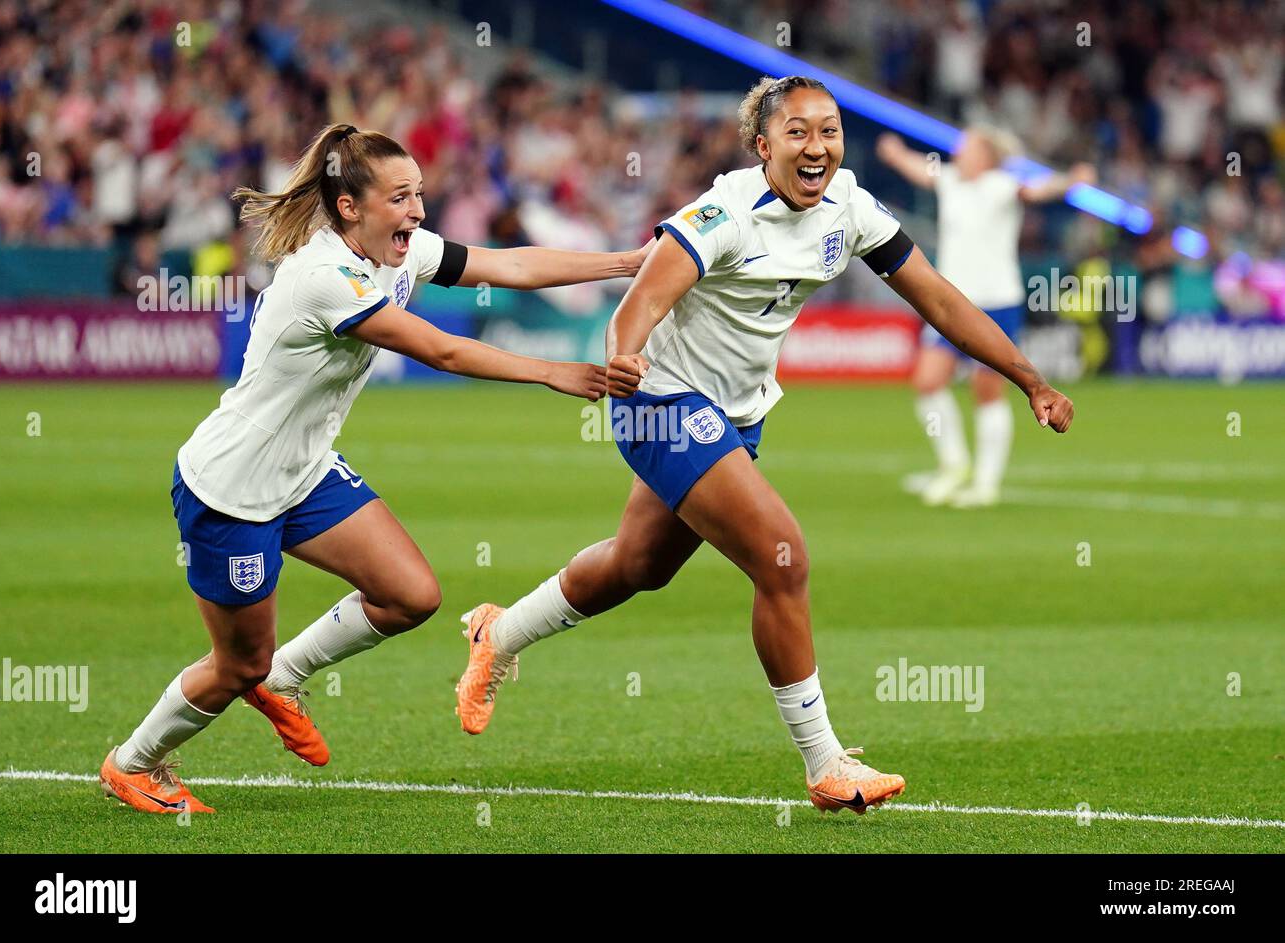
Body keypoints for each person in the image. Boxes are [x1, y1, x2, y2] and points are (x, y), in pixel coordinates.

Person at [456, 77, 1074, 815]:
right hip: (660, 402)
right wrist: (624, 353)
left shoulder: (851, 206)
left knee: (638, 565)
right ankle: (824, 762)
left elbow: (938, 299)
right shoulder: (722, 213)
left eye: (830, 131)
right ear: (763, 146)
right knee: (783, 553)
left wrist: (1029, 378)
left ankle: (500, 631)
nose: (818, 147)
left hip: (738, 413)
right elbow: (642, 300)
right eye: (799, 133)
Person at [99, 124, 648, 814]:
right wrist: (554, 372)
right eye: (400, 197)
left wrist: (626, 262)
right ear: (350, 207)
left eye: (419, 194)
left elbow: (509, 266)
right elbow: (441, 351)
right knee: (238, 663)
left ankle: (288, 677)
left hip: (303, 473)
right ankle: (134, 762)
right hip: (232, 489)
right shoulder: (324, 276)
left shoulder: (402, 251)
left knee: (410, 593)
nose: (418, 211)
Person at [877, 127, 1094, 506]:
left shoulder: (1000, 185)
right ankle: (954, 465)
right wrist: (896, 155)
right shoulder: (949, 180)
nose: (960, 154)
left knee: (986, 390)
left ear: (988, 157)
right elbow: (920, 169)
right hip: (949, 304)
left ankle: (986, 482)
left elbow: (1037, 190)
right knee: (928, 382)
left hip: (996, 302)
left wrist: (1071, 182)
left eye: (969, 149)